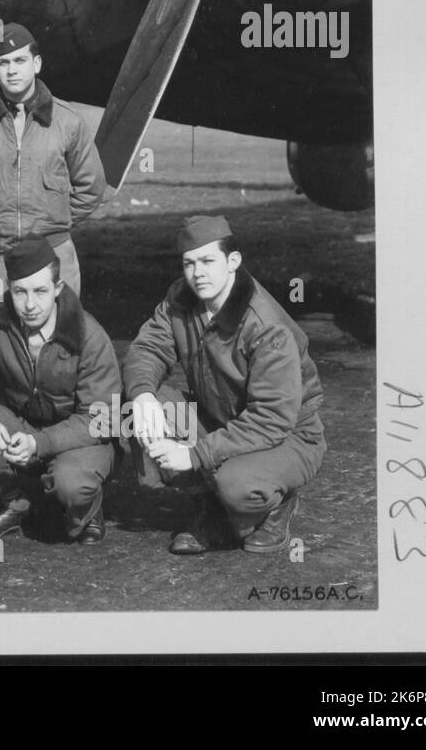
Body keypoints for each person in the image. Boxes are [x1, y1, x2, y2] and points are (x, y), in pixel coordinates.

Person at [122, 215, 326, 555]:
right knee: (135, 405)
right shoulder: (181, 297)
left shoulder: (266, 326)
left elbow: (272, 419)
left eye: (207, 261)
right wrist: (143, 396)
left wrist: (194, 454)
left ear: (233, 261)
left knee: (236, 486)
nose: (197, 273)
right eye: (189, 263)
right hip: (223, 417)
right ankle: (209, 506)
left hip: (288, 436)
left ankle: (279, 502)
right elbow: (146, 348)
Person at [0, 234, 119, 544]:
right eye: (20, 292)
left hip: (78, 436)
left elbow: (101, 419)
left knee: (72, 484)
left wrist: (39, 443)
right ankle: (14, 502)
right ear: (7, 290)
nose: (29, 304)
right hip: (22, 424)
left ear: (58, 289)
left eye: (40, 291)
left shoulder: (89, 335)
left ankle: (87, 509)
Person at [0, 21, 107, 323]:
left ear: (37, 64)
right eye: (3, 63)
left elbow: (91, 186)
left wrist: (54, 222)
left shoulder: (68, 122)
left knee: (59, 343)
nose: (12, 70)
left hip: (54, 254)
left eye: (20, 60)